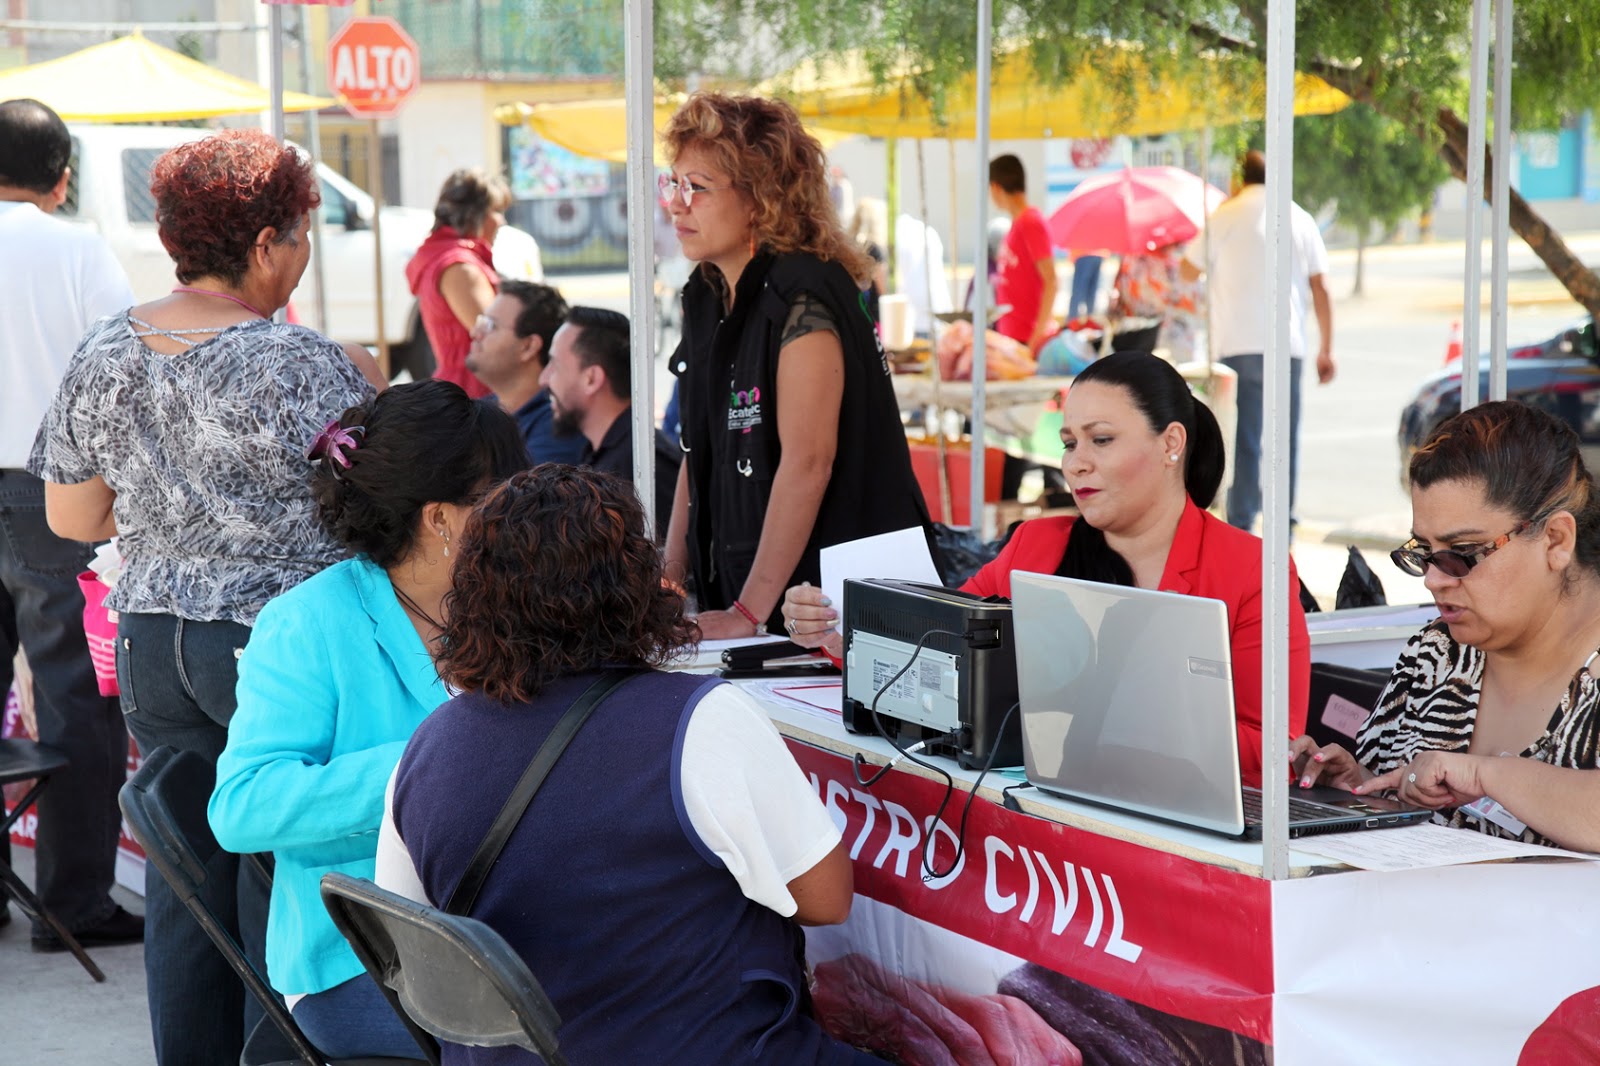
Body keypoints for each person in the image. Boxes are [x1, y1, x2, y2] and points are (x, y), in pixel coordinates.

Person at [29, 128, 379, 1066]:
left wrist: (169, 507)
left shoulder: (107, 347)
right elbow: (374, 512)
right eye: (299, 236)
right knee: (281, 870)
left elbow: (72, 516)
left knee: (185, 880)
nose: (301, 255)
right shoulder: (301, 362)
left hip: (152, 644)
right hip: (276, 648)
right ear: (264, 243)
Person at [376, 465, 883, 1065]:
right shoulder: (702, 720)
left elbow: (408, 940)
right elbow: (827, 899)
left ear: (474, 594)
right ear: (636, 586)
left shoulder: (427, 746)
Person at [783, 352, 1310, 787]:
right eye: (1069, 443)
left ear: (1171, 443)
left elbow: (1273, 751)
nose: (1076, 463)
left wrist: (1121, 714)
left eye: (1101, 440)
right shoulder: (1035, 547)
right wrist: (839, 636)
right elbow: (937, 652)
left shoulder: (1252, 570)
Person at [209, 380, 526, 1060]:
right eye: (505, 496)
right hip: (364, 958)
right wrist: (426, 767)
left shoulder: (514, 603)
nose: (525, 513)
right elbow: (242, 808)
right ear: (441, 518)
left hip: (513, 927)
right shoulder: (308, 622)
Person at [660, 92, 934, 638]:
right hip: (756, 606)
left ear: (760, 197)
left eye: (697, 187)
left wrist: (746, 613)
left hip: (838, 611)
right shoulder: (707, 293)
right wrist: (668, 583)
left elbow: (809, 464)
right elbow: (698, 449)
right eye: (674, 183)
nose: (675, 204)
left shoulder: (805, 295)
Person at [1291, 401, 1600, 851]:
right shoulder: (1436, 654)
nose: (1434, 579)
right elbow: (1401, 790)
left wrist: (1481, 774)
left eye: (1462, 554)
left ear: (1555, 540)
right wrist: (1359, 789)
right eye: (1424, 553)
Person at [0, 98, 139, 950]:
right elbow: (123, 368)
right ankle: (71, 903)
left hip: (45, 488)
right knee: (75, 699)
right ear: (61, 178)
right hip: (51, 491)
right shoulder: (78, 248)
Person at [1190, 150, 1334, 532]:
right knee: (1284, 441)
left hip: (1238, 344)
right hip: (1288, 345)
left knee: (1245, 440)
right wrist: (1326, 348)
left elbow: (1187, 268)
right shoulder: (1299, 217)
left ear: (1240, 178)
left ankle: (1242, 526)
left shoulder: (1225, 215)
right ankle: (1282, 526)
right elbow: (1321, 286)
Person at [539, 305, 680, 532]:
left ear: (591, 379)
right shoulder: (614, 452)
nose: (544, 379)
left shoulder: (643, 464)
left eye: (554, 365)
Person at [406, 167, 511, 399]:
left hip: (465, 390)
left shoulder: (444, 255)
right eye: (496, 211)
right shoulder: (460, 267)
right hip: (473, 393)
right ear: (474, 214)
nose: (502, 221)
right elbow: (496, 339)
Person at [463, 277, 586, 467]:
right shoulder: (485, 410)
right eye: (482, 322)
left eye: (491, 325)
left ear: (528, 347)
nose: (475, 333)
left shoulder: (555, 430)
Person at [987, 154, 1059, 351]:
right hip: (1014, 336)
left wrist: (1037, 336)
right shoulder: (1018, 224)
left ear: (995, 187)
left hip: (1028, 338)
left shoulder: (1031, 222)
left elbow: (1051, 281)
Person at [849, 197, 890, 324]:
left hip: (851, 312)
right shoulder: (875, 249)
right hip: (872, 314)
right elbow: (881, 286)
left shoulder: (848, 246)